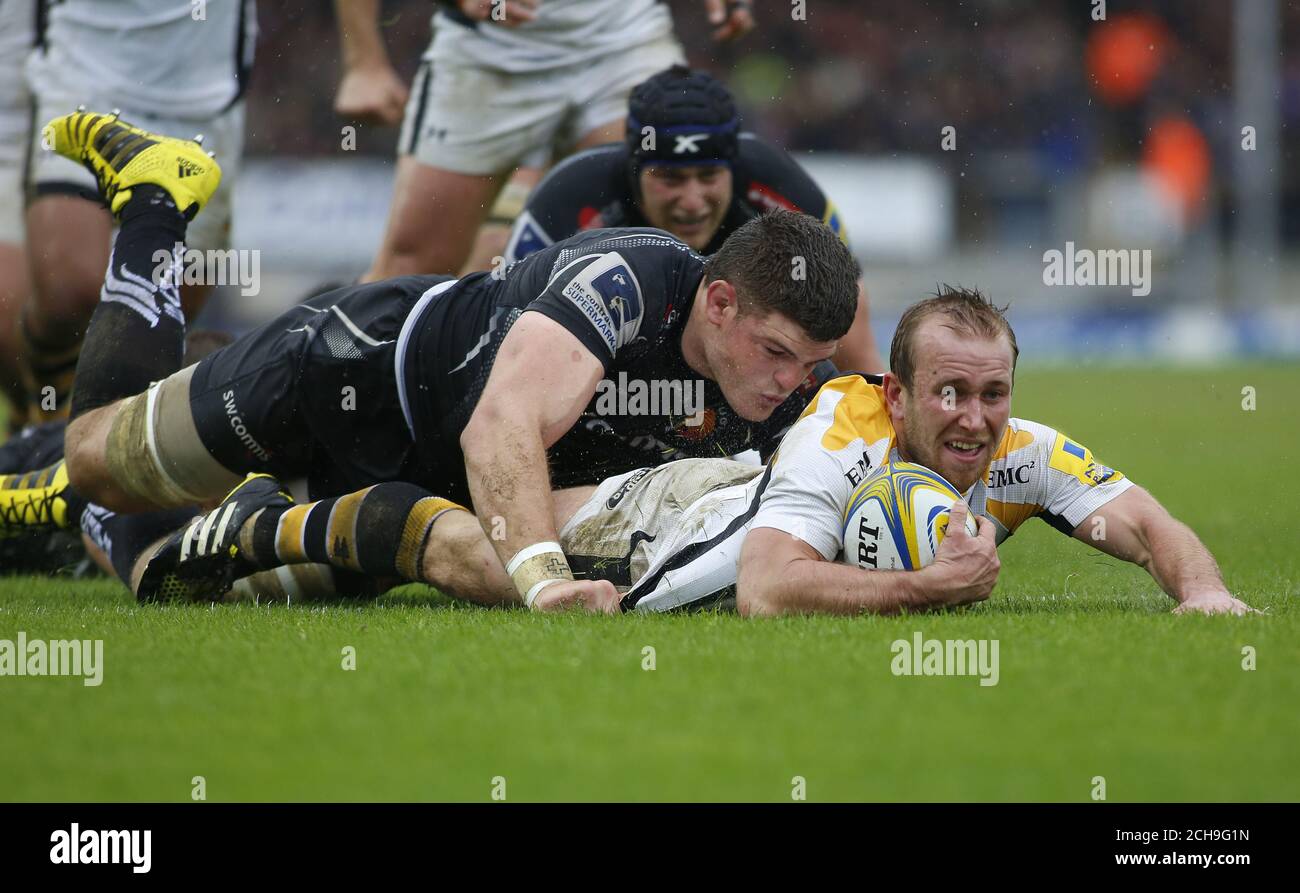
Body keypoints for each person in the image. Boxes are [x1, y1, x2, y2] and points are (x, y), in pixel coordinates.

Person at [1, 109, 857, 610]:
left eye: (808, 364)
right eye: (778, 352)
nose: (790, 381)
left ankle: (219, 514)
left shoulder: (779, 393)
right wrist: (545, 582)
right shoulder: (629, 277)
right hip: (351, 370)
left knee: (165, 576)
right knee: (97, 460)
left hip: (419, 488)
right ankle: (155, 198)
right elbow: (501, 427)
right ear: (718, 302)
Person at [133, 289, 1250, 618]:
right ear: (892, 391)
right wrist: (922, 584)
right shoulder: (837, 435)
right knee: (491, 567)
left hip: (713, 509)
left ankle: (275, 552)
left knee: (451, 575)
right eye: (946, 392)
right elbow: (764, 587)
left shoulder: (1018, 448)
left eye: (991, 393)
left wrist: (1202, 594)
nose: (971, 417)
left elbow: (1144, 520)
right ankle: (272, 521)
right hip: (682, 506)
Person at [338, 0, 754, 280]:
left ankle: (640, 402)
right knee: (415, 266)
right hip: (486, 50)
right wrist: (365, 62)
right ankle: (340, 391)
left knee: (647, 245)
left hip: (623, 40)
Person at [504, 66, 884, 372]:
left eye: (708, 177)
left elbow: (848, 314)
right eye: (670, 178)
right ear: (635, 172)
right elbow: (506, 316)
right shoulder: (573, 191)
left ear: (734, 171)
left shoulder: (776, 180)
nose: (691, 202)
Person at [15, 0, 255, 425]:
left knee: (162, 314)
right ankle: (44, 428)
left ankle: (102, 460)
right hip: (83, 67)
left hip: (203, 94)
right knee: (68, 291)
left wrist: (364, 61)